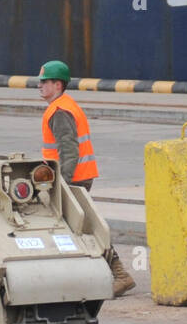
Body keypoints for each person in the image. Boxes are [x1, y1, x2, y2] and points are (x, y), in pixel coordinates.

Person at [37, 59, 135, 297]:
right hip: (78, 176)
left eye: (44, 82)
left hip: (74, 179)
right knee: (75, 228)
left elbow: (69, 150)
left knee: (86, 227)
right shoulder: (63, 106)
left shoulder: (60, 111)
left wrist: (64, 184)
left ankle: (120, 275)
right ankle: (88, 276)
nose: (39, 86)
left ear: (58, 84)